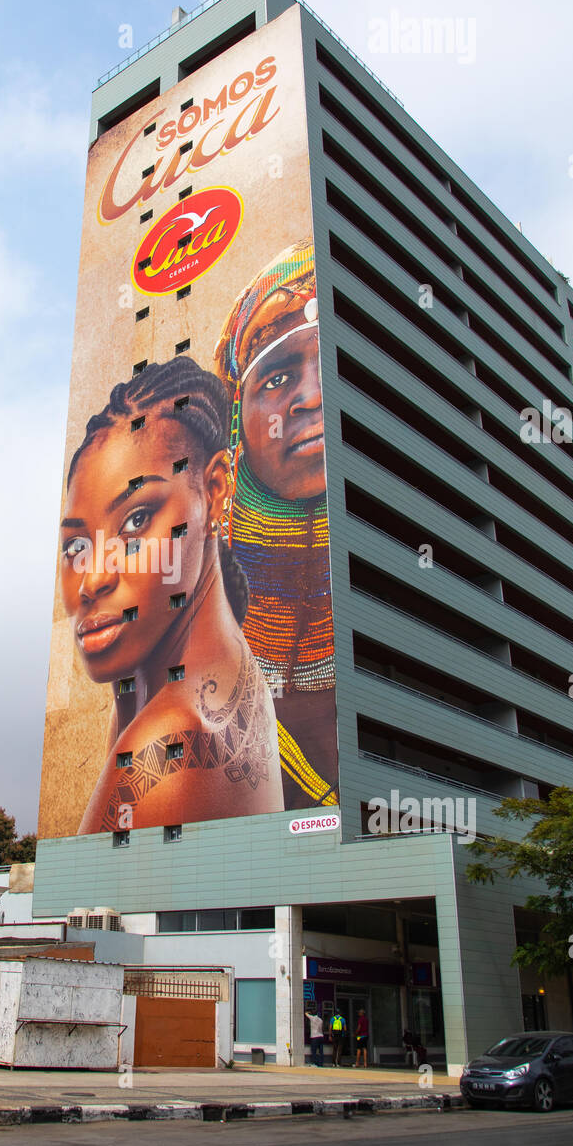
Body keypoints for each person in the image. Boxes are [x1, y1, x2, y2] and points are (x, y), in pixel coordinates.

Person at [60, 356, 284, 835]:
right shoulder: (244, 684)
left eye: (136, 521)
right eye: (76, 545)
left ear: (216, 490)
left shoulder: (161, 746)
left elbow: (81, 906)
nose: (92, 579)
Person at [214, 242, 338, 809]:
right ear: (238, 417)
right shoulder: (194, 612)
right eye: (278, 378)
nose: (311, 396)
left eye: (331, 362)